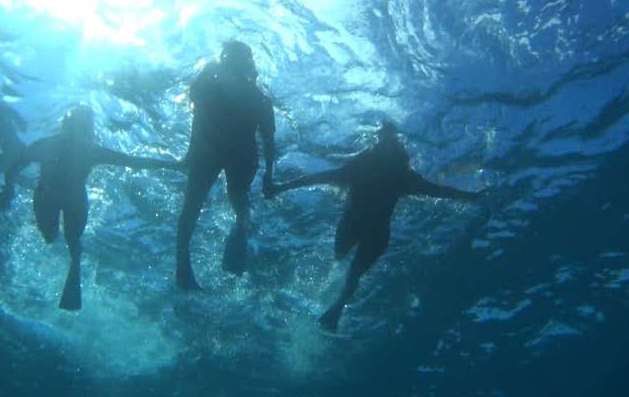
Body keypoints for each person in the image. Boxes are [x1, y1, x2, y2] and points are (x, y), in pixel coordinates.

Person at [264, 121, 484, 331]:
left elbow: (318, 177)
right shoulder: (396, 174)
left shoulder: (378, 170)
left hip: (360, 227)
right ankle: (335, 305)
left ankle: (336, 306)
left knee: (347, 265)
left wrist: (281, 187)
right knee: (350, 268)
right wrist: (471, 196)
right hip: (372, 231)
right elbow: (440, 191)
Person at [0, 105, 183, 310]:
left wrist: (171, 165)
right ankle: (73, 254)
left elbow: (133, 161)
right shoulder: (64, 147)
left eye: (84, 127)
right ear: (69, 126)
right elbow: (16, 166)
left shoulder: (83, 150)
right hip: (57, 197)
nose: (80, 131)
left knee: (68, 242)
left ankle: (75, 259)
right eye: (80, 126)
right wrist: (8, 188)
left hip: (65, 198)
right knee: (51, 238)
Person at [176, 40, 276, 290]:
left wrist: (269, 175)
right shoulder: (255, 98)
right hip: (232, 153)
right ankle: (186, 267)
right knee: (235, 201)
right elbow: (268, 141)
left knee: (196, 205)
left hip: (217, 152)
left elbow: (198, 114)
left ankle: (186, 267)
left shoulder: (214, 86)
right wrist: (269, 175)